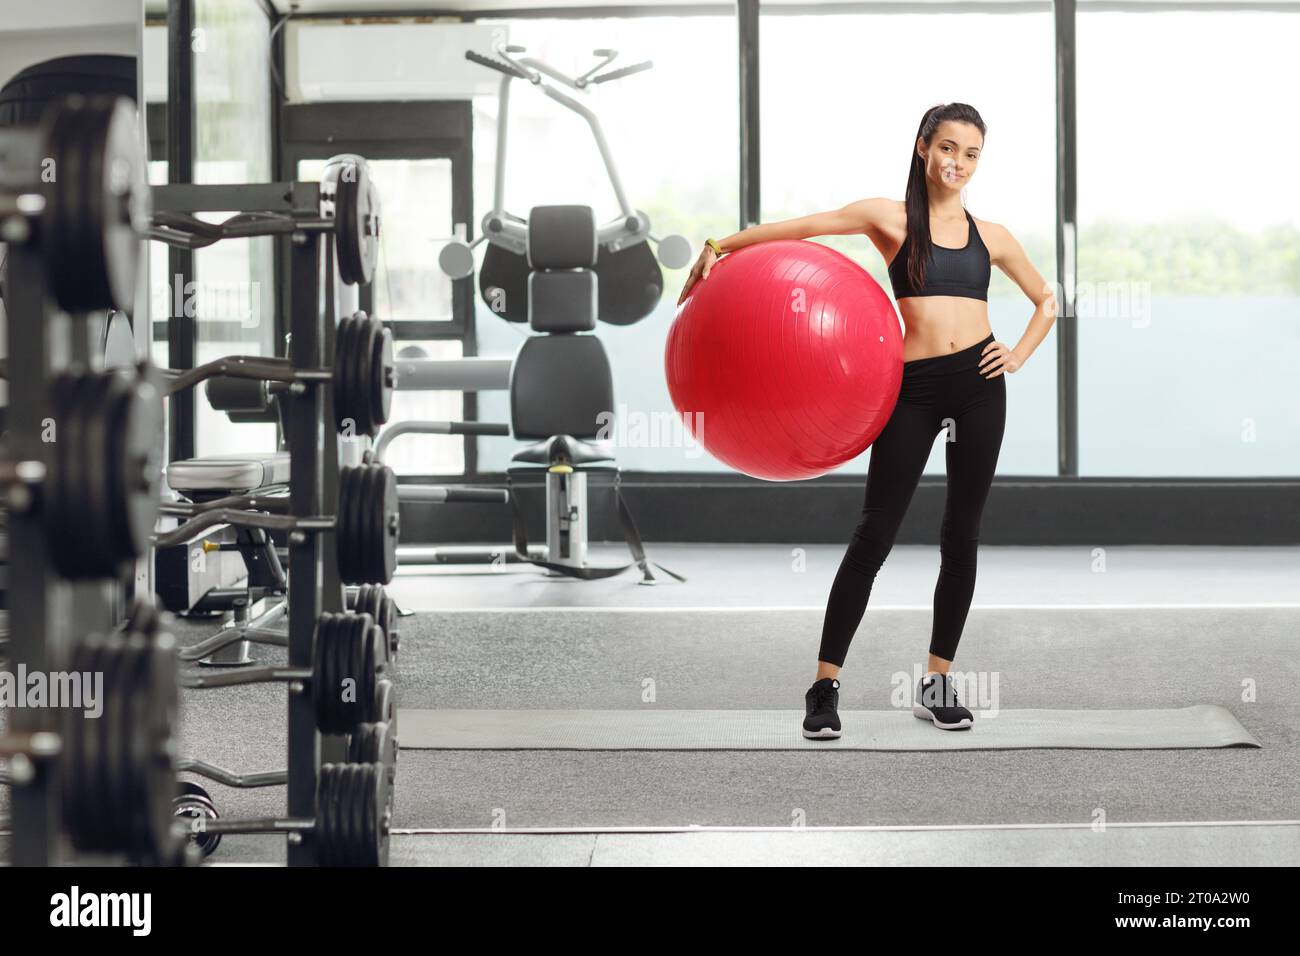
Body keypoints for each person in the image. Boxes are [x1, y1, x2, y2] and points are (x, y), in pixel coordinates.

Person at [676, 103, 1057, 736]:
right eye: (948, 148)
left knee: (961, 536)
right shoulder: (891, 218)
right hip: (914, 387)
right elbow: (805, 228)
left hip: (980, 389)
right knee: (874, 536)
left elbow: (1046, 298)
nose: (957, 163)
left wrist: (1015, 353)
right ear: (922, 147)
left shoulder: (993, 234)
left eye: (971, 154)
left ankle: (936, 684)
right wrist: (721, 245)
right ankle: (824, 688)